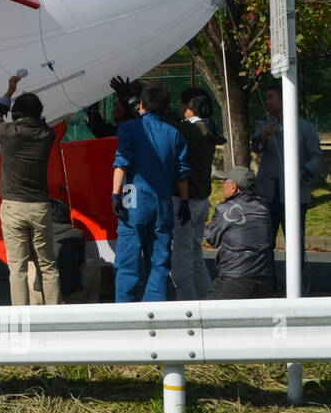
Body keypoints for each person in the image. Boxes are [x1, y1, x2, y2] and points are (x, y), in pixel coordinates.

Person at [111, 84, 190, 302]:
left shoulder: (129, 129)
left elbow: (122, 164)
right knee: (159, 263)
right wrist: (184, 202)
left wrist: (115, 196)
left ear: (142, 105)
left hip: (132, 197)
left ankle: (126, 314)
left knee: (128, 262)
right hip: (163, 203)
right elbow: (182, 173)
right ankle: (154, 315)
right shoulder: (175, 134)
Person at [0, 75, 60, 305]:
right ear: (38, 113)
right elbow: (43, 123)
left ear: (16, 114)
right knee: (47, 265)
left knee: (17, 268)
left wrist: (9, 91)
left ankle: (20, 316)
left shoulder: (7, 133)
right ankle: (53, 317)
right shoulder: (47, 135)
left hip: (13, 206)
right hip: (39, 206)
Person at [251, 84, 322, 293]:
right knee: (265, 242)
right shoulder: (265, 125)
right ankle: (269, 286)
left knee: (294, 242)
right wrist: (264, 136)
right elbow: (255, 147)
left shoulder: (303, 127)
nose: (268, 102)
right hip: (268, 193)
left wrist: (304, 172)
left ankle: (296, 286)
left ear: (284, 99)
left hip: (295, 194)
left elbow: (317, 156)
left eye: (271, 97)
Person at [166, 89, 224, 300]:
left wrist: (135, 101)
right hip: (201, 201)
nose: (181, 110)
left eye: (184, 106)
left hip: (186, 202)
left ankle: (188, 309)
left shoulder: (191, 131)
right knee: (195, 257)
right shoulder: (208, 129)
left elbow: (161, 123)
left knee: (181, 262)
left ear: (192, 107)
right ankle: (206, 302)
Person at [203, 167, 274, 299]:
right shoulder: (263, 207)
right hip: (264, 273)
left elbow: (211, 239)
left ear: (233, 187)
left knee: (212, 314)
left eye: (225, 182)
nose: (223, 186)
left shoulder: (226, 208)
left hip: (236, 274)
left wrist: (204, 222)